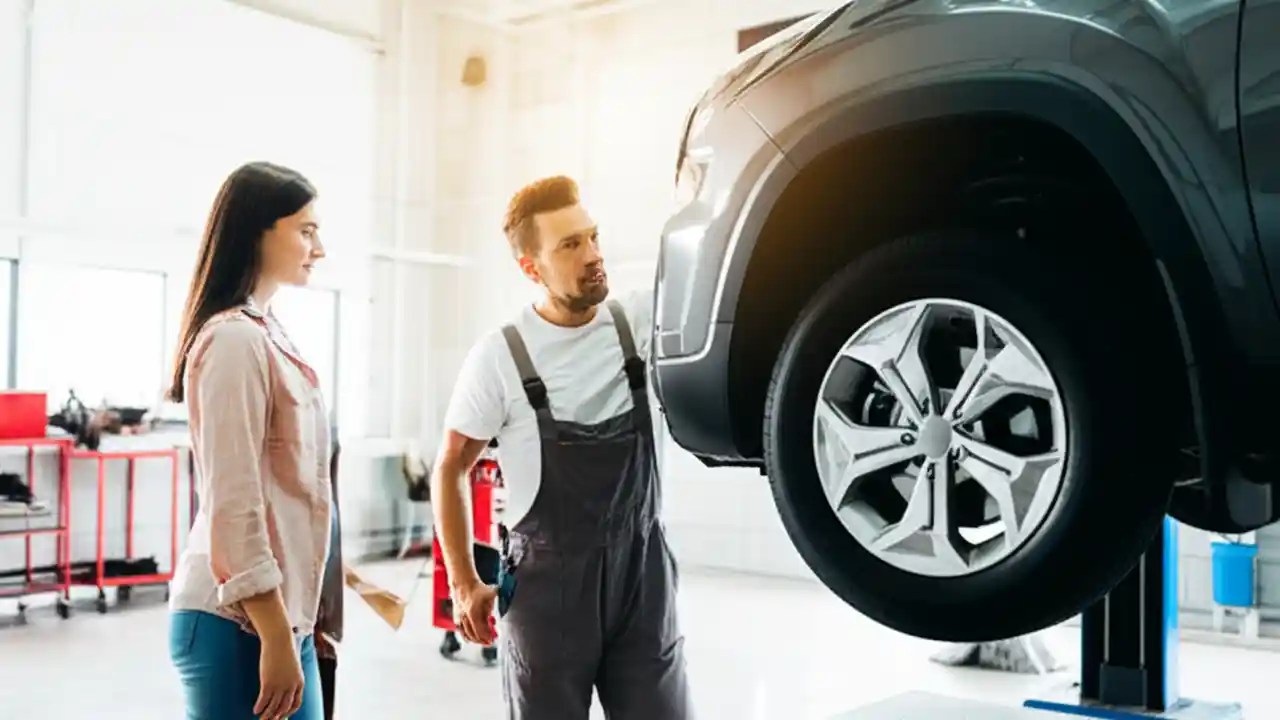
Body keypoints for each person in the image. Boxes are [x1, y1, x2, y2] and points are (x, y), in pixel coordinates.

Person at [432, 175, 692, 719]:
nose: (592, 255)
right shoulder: (502, 357)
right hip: (546, 593)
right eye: (570, 245)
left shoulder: (639, 323)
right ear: (532, 268)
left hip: (641, 576)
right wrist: (463, 582)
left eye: (592, 237)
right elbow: (451, 466)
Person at [166, 161, 331, 720]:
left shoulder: (266, 330)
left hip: (278, 618)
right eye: (306, 230)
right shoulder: (234, 341)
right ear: (257, 230)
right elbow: (235, 503)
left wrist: (308, 618)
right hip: (238, 621)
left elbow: (292, 494)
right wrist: (277, 637)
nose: (319, 247)